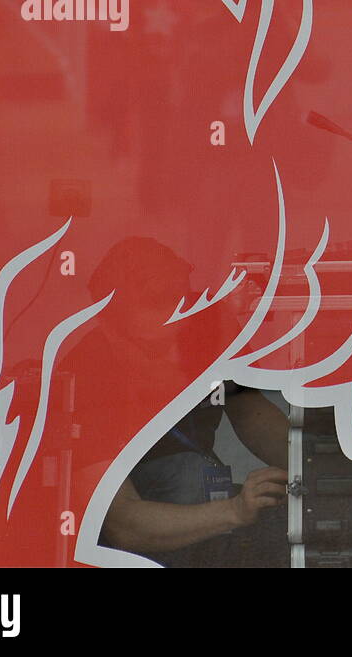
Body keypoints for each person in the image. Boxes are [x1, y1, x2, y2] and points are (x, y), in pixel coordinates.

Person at [89, 237, 291, 566]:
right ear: (112, 315)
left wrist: (311, 467)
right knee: (189, 475)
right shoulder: (88, 368)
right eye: (155, 299)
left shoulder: (205, 321)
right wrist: (235, 510)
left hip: (203, 493)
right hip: (139, 532)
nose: (182, 318)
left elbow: (249, 412)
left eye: (181, 294)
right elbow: (123, 524)